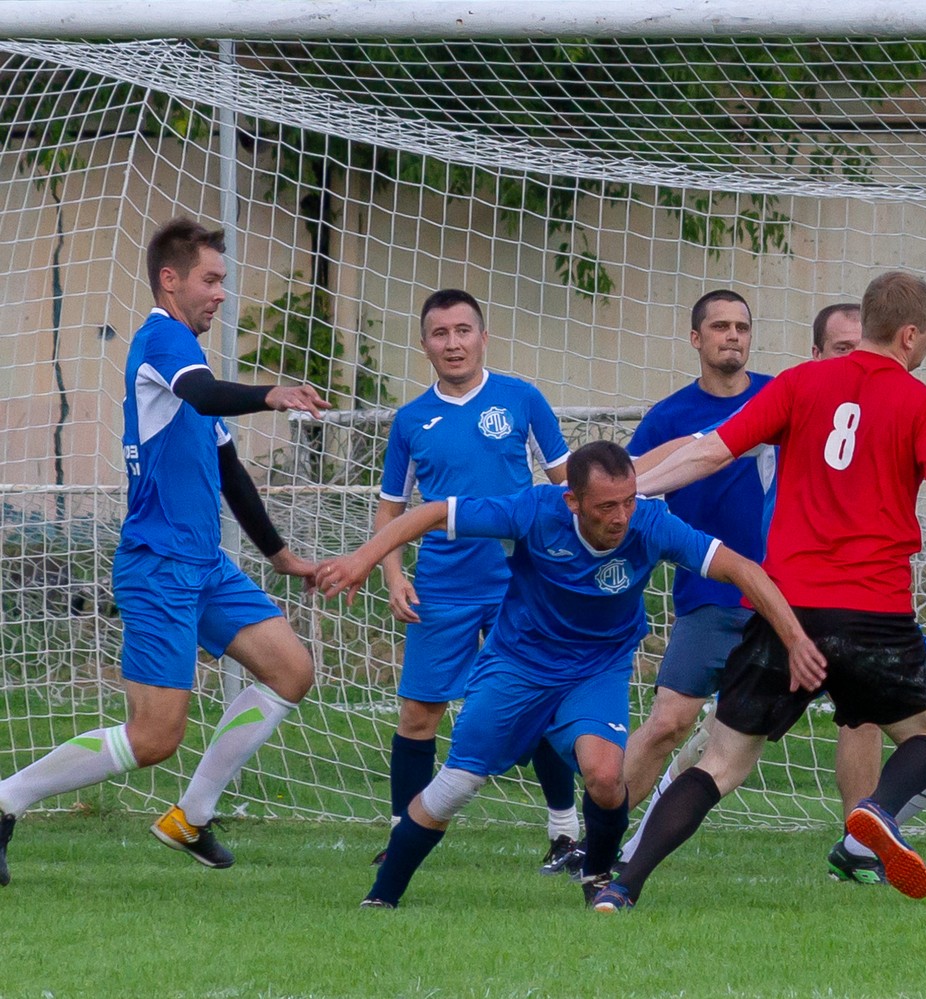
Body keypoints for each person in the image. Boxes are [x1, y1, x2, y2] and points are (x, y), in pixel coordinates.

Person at [590, 270, 926, 912]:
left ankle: (622, 888)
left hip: (786, 611)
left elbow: (712, 451)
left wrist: (632, 495)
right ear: (910, 335)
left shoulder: (799, 382)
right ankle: (875, 815)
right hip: (875, 616)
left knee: (720, 763)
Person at [312, 441, 824, 908]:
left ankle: (599, 877)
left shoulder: (651, 523)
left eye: (627, 501)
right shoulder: (533, 511)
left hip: (596, 669)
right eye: (606, 506)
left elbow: (742, 570)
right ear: (572, 502)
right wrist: (363, 560)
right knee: (458, 784)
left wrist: (795, 638)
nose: (621, 516)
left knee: (605, 777)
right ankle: (383, 897)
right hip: (518, 666)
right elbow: (428, 512)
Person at [0, 217, 329, 885]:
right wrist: (272, 393)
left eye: (224, 282)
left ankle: (191, 815)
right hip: (158, 566)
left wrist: (281, 554)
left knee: (292, 669)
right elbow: (206, 394)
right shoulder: (162, 342)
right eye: (210, 280)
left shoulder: (190, 362)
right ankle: (7, 798)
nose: (220, 294)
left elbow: (230, 469)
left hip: (205, 564)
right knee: (153, 738)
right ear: (169, 279)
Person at [372, 288, 581, 874]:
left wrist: (569, 561)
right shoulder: (413, 420)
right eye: (440, 334)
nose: (453, 343)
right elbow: (391, 509)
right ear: (425, 345)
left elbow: (568, 488)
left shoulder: (521, 399)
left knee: (537, 701)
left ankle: (565, 833)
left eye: (464, 331)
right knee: (420, 714)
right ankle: (401, 834)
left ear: (483, 337)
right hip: (441, 586)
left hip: (521, 584)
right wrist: (392, 574)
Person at [810, 302, 926, 886]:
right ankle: (603, 850)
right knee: (701, 741)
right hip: (808, 603)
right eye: (841, 349)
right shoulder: (803, 402)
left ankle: (861, 842)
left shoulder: (912, 408)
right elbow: (711, 446)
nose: (858, 360)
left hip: (880, 605)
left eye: (864, 345)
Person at [610, 290, 774, 870]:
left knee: (861, 714)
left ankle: (863, 842)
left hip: (792, 596)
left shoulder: (781, 398)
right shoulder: (669, 418)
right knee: (669, 724)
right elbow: (624, 497)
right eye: (720, 326)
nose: (733, 335)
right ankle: (600, 836)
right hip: (712, 596)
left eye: (742, 327)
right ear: (696, 339)